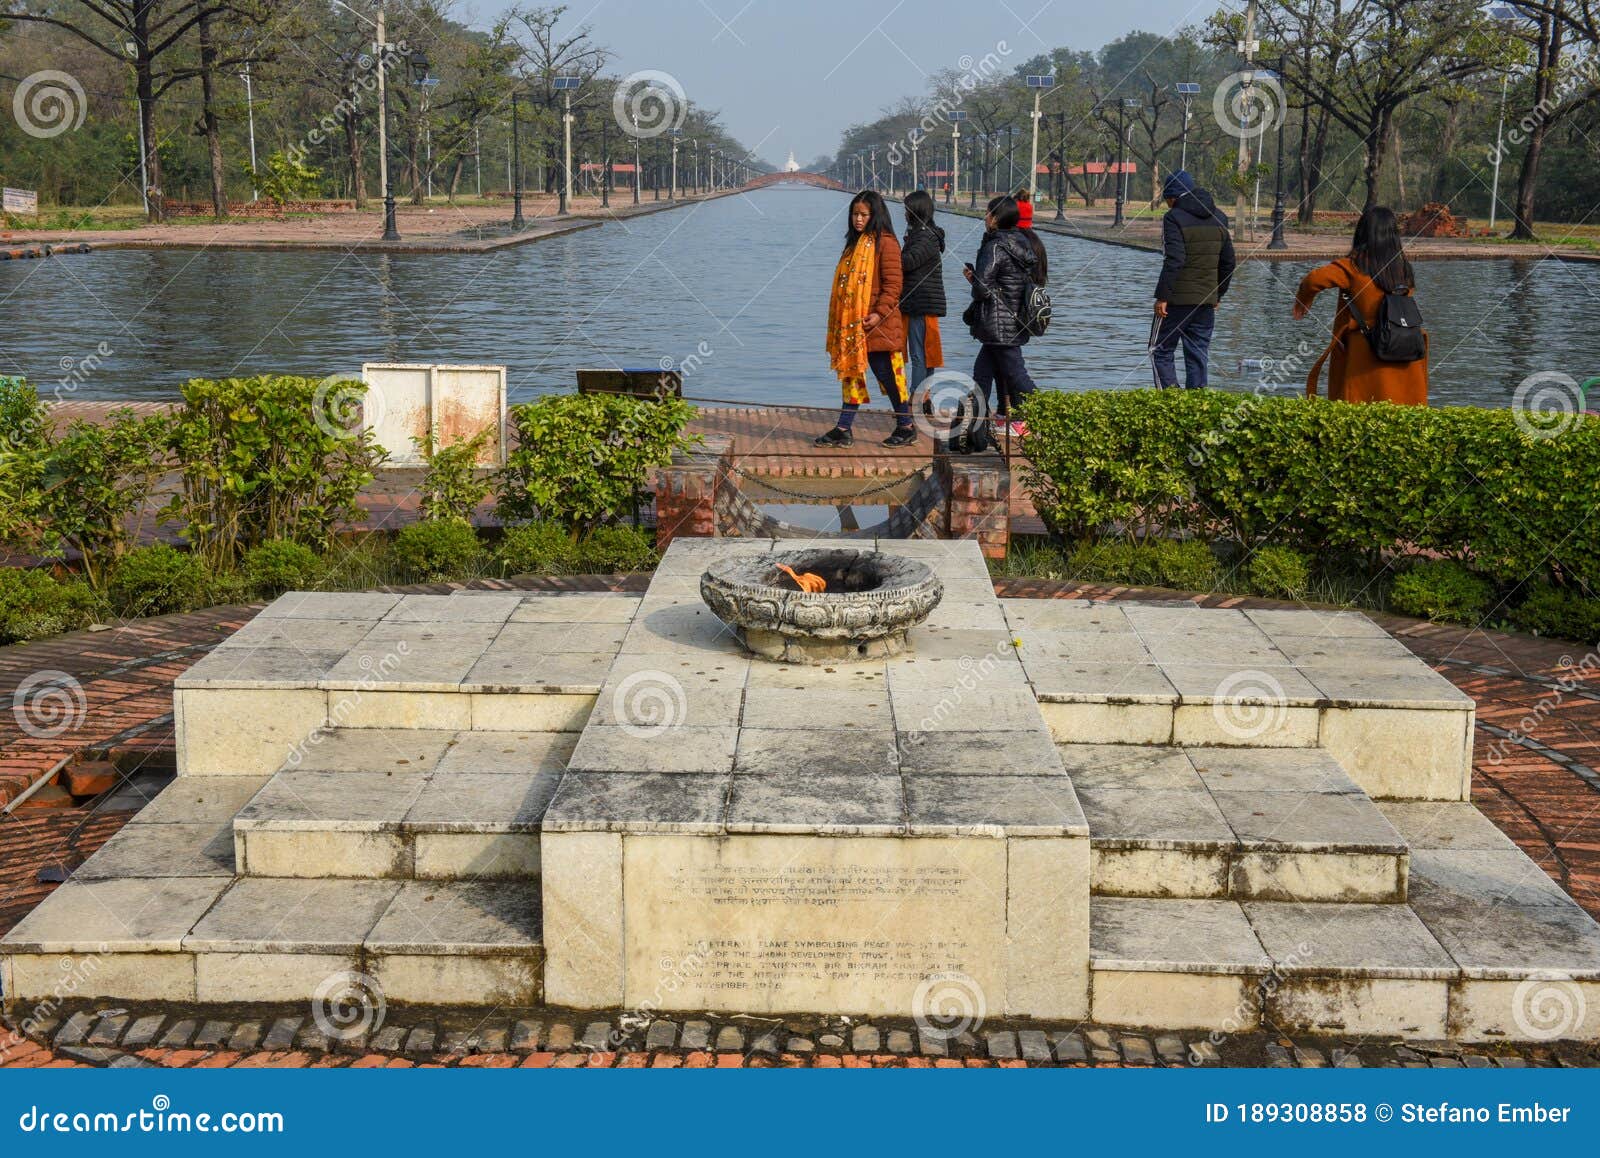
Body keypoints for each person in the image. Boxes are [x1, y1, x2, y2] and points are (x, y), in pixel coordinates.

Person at [1293, 206, 1428, 405]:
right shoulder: (1403, 269)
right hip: (1406, 351)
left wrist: (1303, 299)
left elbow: (1313, 280)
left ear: (1362, 232)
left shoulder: (1354, 266)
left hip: (1364, 357)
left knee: (1358, 413)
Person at [818, 190, 915, 448]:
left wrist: (878, 313)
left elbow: (894, 285)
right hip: (854, 324)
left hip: (879, 324)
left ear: (875, 215)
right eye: (854, 214)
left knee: (888, 375)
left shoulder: (886, 243)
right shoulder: (854, 244)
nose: (858, 219)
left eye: (863, 215)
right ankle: (843, 428)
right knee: (852, 373)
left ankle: (906, 426)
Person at [1152, 169, 1235, 390]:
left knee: (1159, 349)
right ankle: (1196, 405)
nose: (1168, 205)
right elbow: (1228, 262)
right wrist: (1219, 293)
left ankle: (1171, 402)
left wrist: (1162, 297)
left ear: (1173, 197)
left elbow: (1174, 260)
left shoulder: (1173, 218)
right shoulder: (1220, 217)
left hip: (1176, 302)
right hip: (1206, 301)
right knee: (1198, 352)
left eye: (1167, 200)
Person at [963, 194, 1040, 434]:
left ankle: (1044, 415)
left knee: (1016, 374)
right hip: (1013, 318)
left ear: (995, 218)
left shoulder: (995, 246)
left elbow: (982, 289)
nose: (985, 217)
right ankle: (977, 424)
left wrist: (973, 279)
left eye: (988, 213)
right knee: (982, 372)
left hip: (998, 321)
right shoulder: (1021, 242)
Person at [899, 189, 946, 396]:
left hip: (922, 302)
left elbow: (908, 262)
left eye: (907, 210)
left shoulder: (925, 237)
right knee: (926, 354)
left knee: (920, 355)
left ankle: (916, 399)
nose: (905, 214)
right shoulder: (923, 235)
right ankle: (924, 397)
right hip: (921, 301)